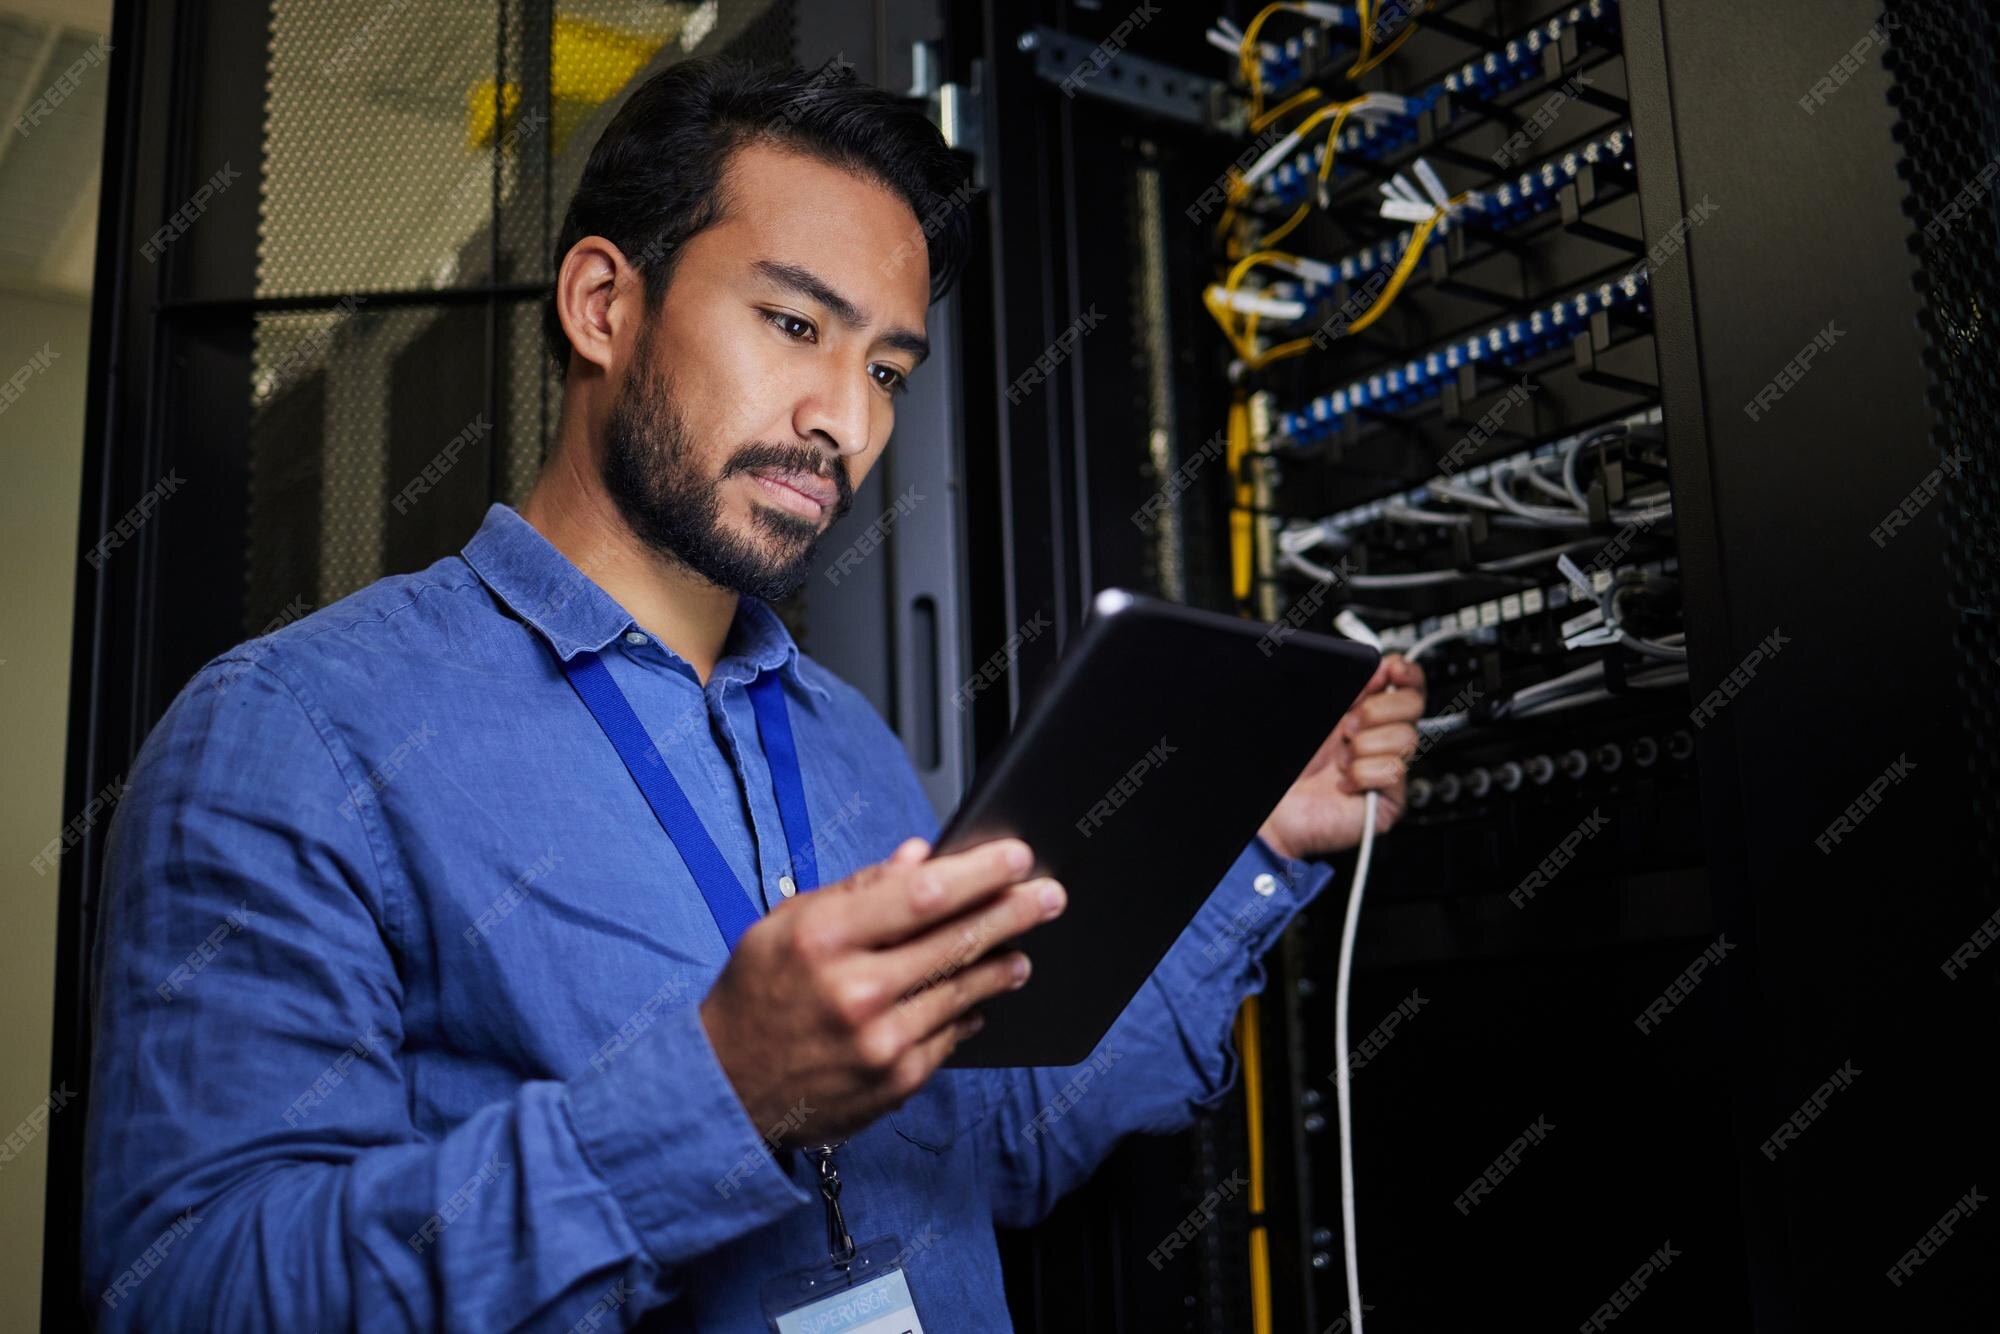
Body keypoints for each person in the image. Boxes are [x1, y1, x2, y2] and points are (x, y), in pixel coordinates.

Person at [81, 56, 1426, 1331]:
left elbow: (992, 1148)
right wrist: (717, 1096)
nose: (845, 417)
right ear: (604, 303)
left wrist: (1258, 844)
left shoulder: (845, 741)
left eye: (889, 367)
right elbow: (188, 1291)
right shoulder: (294, 732)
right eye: (794, 323)